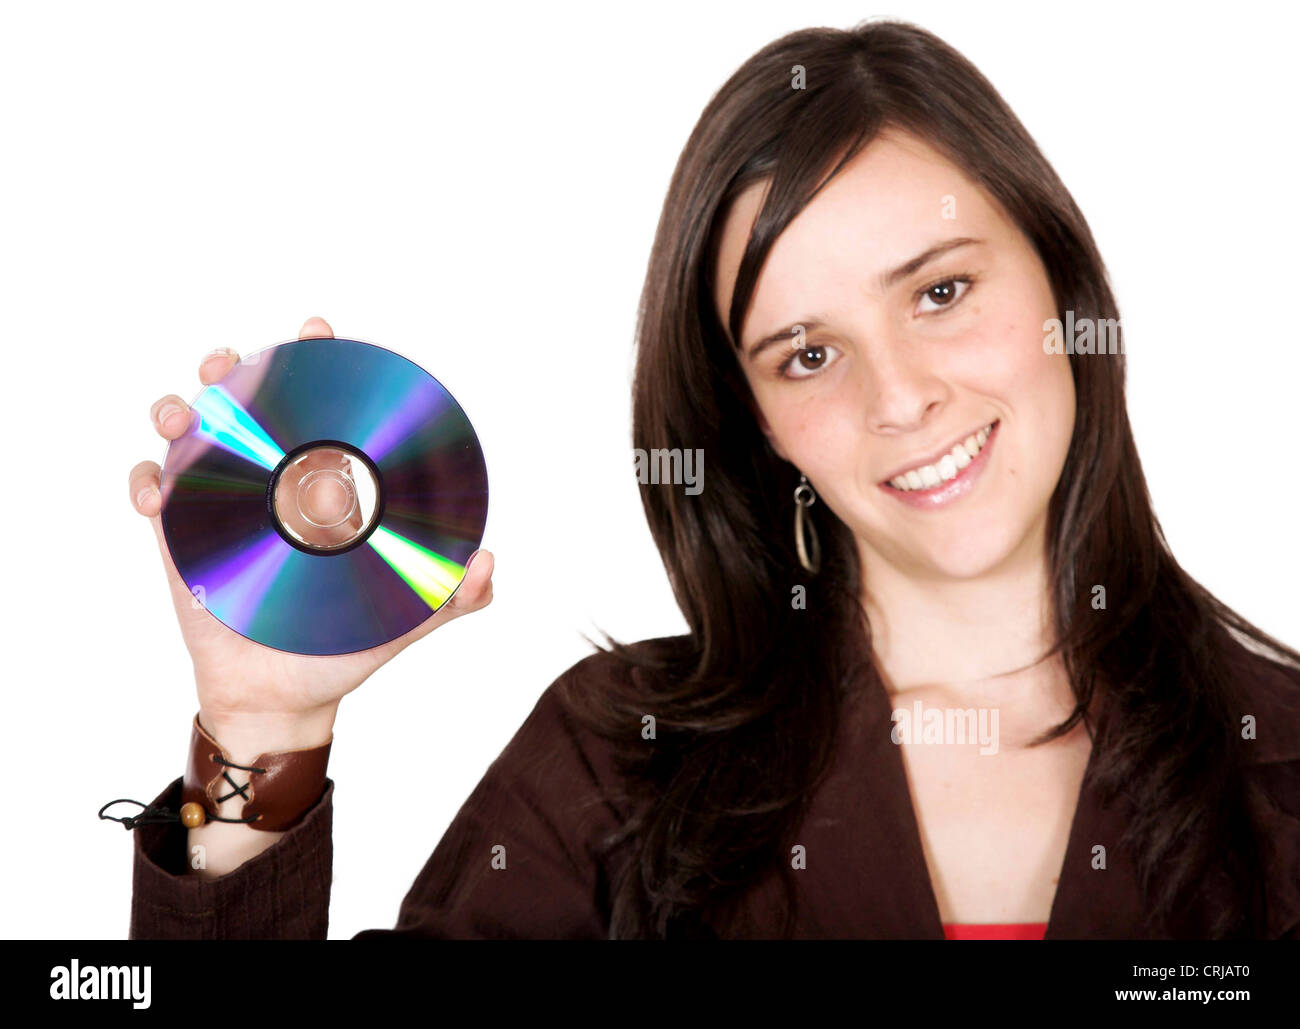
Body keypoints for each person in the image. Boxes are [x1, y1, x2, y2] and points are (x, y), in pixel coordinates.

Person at [121, 19, 1300, 940]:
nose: (898, 398)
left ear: (1063, 293)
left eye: (940, 292)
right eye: (808, 354)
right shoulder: (614, 766)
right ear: (760, 423)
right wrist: (260, 729)